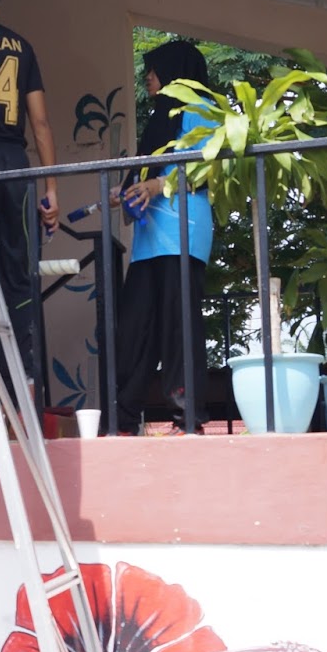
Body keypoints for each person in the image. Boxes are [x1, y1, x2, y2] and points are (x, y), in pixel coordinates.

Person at [115, 40, 215, 435]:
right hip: (149, 239)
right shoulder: (161, 117)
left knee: (179, 325)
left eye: (153, 73)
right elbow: (147, 166)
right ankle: (123, 417)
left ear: (175, 72)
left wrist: (158, 185)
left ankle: (187, 418)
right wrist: (125, 190)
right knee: (135, 327)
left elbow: (207, 167)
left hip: (183, 232)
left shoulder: (201, 111)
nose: (148, 81)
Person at [0, 0, 59, 402]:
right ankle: (23, 375)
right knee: (21, 275)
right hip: (17, 167)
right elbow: (40, 123)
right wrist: (51, 187)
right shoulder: (21, 46)